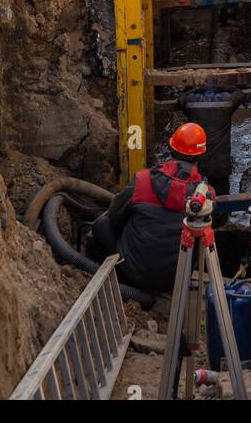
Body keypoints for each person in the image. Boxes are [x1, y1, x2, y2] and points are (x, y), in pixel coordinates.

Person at [89, 123, 208, 295]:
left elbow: (115, 217)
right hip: (175, 279)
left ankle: (116, 282)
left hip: (133, 273)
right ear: (200, 156)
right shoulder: (203, 195)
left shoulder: (142, 180)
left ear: (171, 148)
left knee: (102, 224)